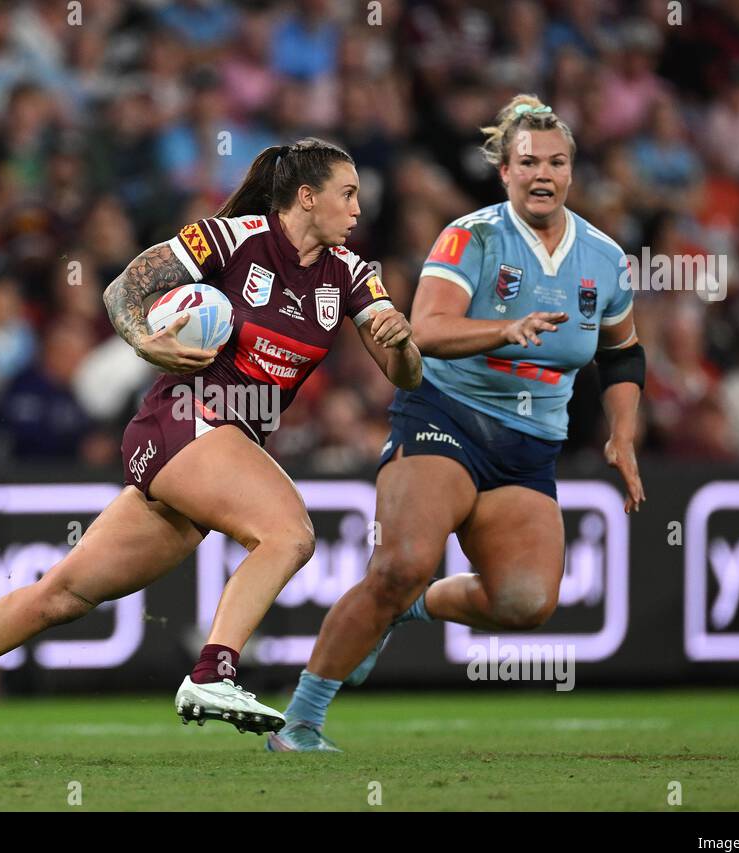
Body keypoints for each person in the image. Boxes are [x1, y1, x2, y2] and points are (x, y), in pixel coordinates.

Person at [0, 138, 423, 757]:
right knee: (288, 533)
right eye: (348, 194)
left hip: (221, 444)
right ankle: (213, 673)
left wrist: (402, 342)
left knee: (62, 594)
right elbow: (124, 290)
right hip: (184, 419)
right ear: (307, 197)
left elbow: (403, 375)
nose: (359, 209)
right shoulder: (233, 238)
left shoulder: (353, 273)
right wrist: (149, 344)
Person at [268, 96, 646, 752]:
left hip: (530, 445)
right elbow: (428, 330)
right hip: (446, 417)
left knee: (526, 602)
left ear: (571, 172)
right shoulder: (470, 237)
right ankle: (300, 722)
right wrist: (506, 328)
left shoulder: (606, 258)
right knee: (401, 563)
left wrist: (622, 432)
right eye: (528, 162)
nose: (542, 173)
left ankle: (407, 610)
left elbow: (623, 352)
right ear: (504, 171)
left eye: (556, 161)